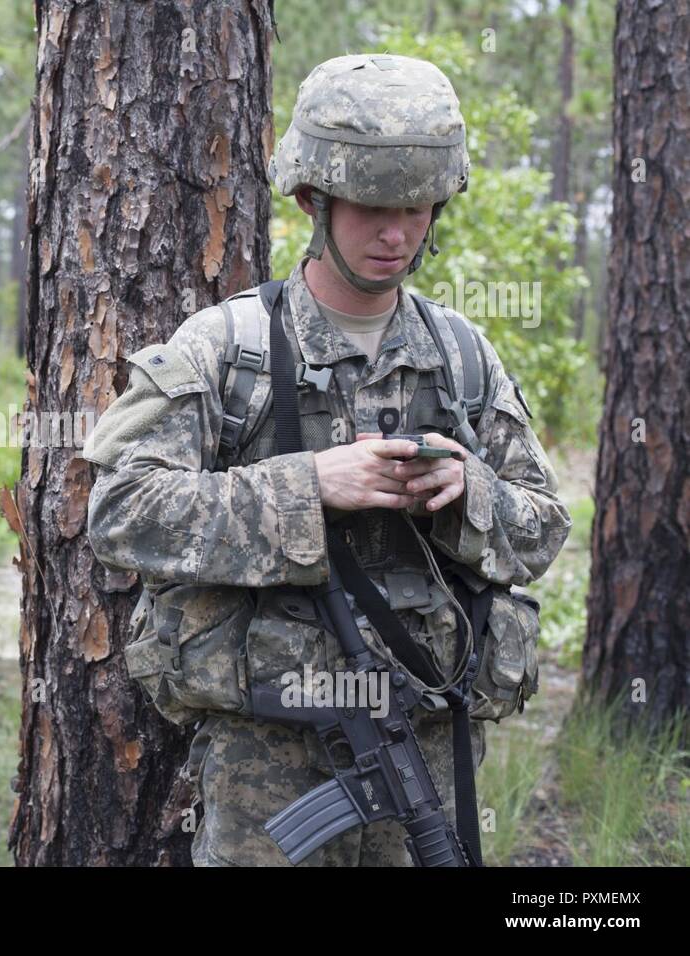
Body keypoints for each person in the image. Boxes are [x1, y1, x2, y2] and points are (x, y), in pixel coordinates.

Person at [83, 54, 571, 866]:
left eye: (417, 209)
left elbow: (543, 528)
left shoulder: (460, 356)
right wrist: (309, 488)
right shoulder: (228, 347)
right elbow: (121, 511)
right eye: (374, 208)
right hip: (270, 759)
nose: (396, 234)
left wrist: (468, 494)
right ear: (314, 199)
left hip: (424, 739)